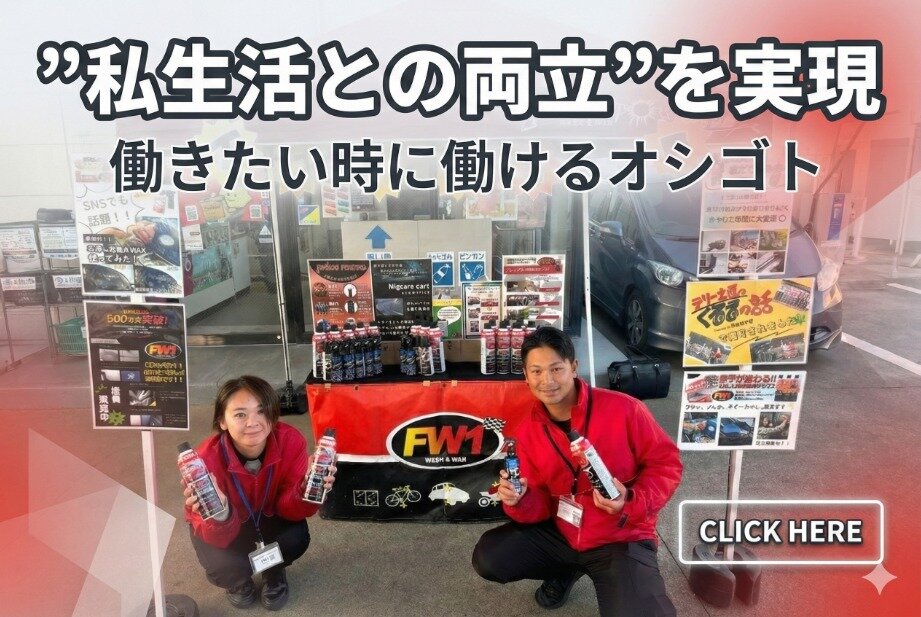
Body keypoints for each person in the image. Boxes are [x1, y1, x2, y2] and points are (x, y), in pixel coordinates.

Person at [472, 327, 682, 616]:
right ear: (526, 376)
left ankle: (588, 569)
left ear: (573, 367)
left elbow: (666, 464)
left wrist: (631, 500)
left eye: (556, 368)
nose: (547, 381)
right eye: (536, 371)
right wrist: (519, 499)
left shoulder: (625, 409)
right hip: (564, 530)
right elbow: (540, 505)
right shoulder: (526, 431)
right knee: (490, 557)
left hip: (620, 535)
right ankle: (565, 568)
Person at [182, 375, 336, 611]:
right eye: (240, 414)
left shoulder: (291, 441)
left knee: (294, 538)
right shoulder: (202, 461)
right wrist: (220, 513)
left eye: (262, 411)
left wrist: (306, 490)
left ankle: (273, 572)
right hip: (232, 520)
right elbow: (209, 533)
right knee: (220, 561)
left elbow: (290, 510)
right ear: (222, 421)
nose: (253, 422)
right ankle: (239, 581)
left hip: (271, 512)